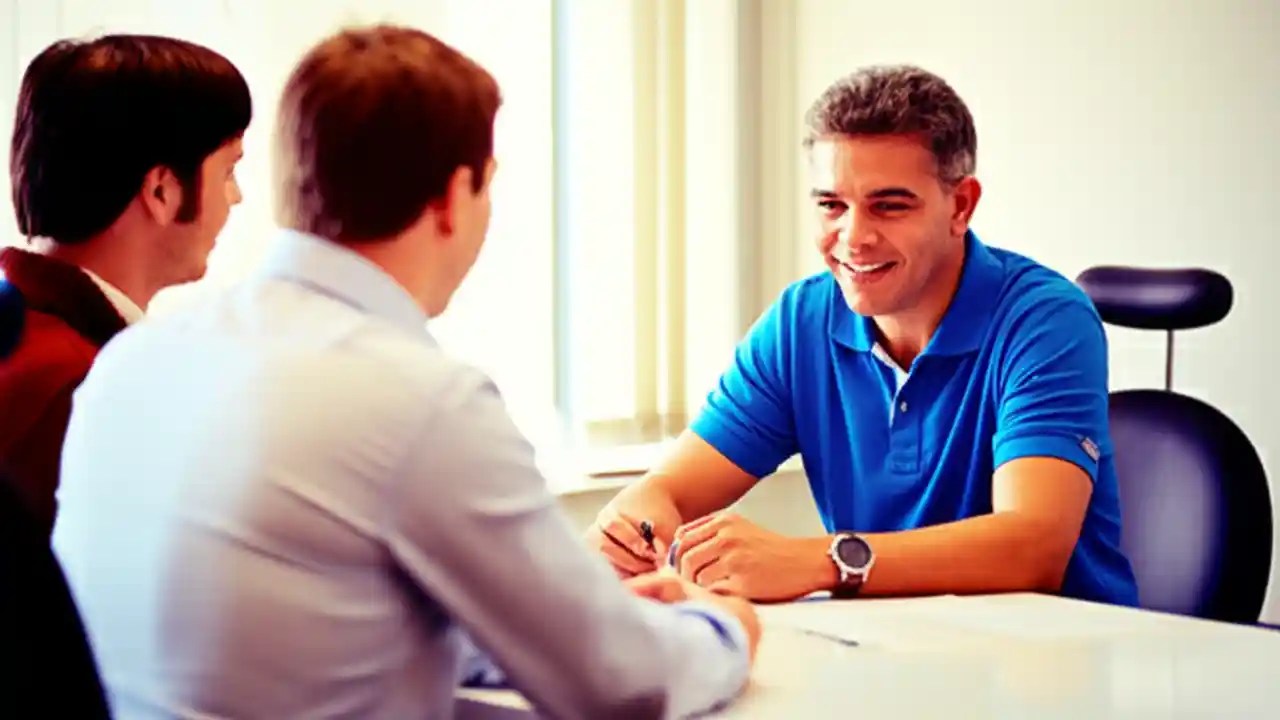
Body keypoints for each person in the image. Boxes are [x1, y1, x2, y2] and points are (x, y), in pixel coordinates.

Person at [53, 25, 760, 720]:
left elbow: (312, 629)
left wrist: (550, 623)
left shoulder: (134, 358)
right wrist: (724, 626)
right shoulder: (420, 401)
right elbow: (620, 684)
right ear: (453, 197)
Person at [588, 64, 1138, 607]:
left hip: (1055, 650)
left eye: (889, 206)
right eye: (832, 205)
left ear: (960, 206)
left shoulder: (1046, 320)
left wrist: (819, 561)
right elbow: (668, 492)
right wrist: (635, 523)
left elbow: (1032, 547)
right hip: (887, 646)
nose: (853, 238)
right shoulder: (800, 322)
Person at [0, 34, 250, 536]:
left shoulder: (31, 337)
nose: (236, 197)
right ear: (161, 190)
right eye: (228, 171)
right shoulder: (78, 386)